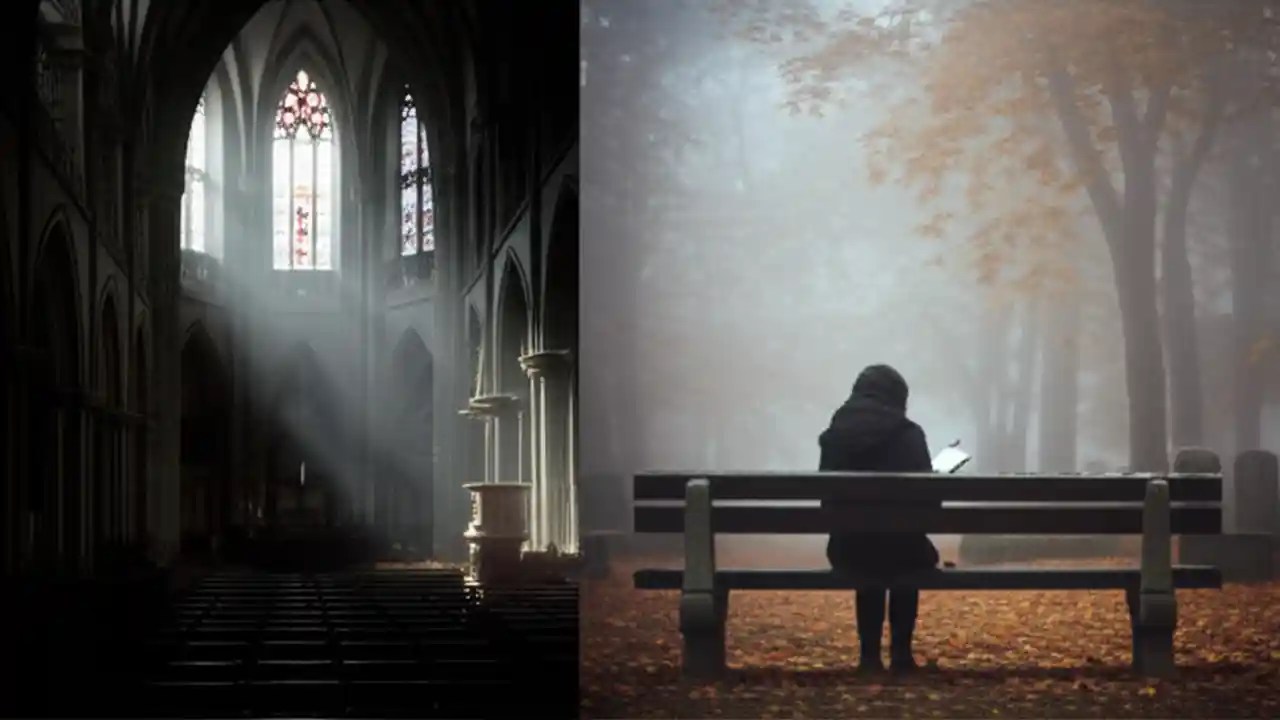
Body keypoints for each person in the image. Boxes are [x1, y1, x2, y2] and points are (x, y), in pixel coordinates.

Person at [818, 363, 940, 674]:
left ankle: (869, 657)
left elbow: (827, 499)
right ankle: (901, 656)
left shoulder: (834, 436)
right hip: (903, 549)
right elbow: (930, 502)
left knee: (866, 553)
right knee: (905, 552)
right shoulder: (910, 435)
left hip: (848, 549)